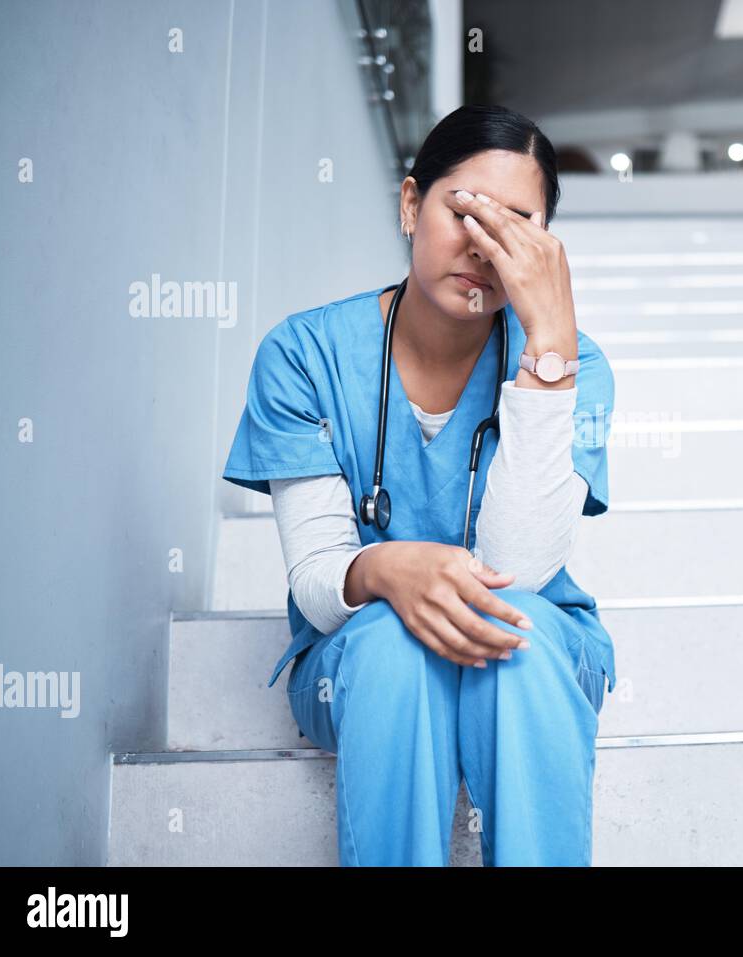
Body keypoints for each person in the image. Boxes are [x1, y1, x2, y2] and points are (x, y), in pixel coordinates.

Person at [221, 104, 616, 866]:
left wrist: (549, 350)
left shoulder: (576, 365)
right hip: (361, 659)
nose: (483, 245)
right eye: (465, 209)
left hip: (530, 647)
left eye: (516, 225)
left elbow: (521, 566)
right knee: (394, 643)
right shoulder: (304, 355)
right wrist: (384, 569)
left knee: (521, 636)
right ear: (411, 204)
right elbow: (316, 578)